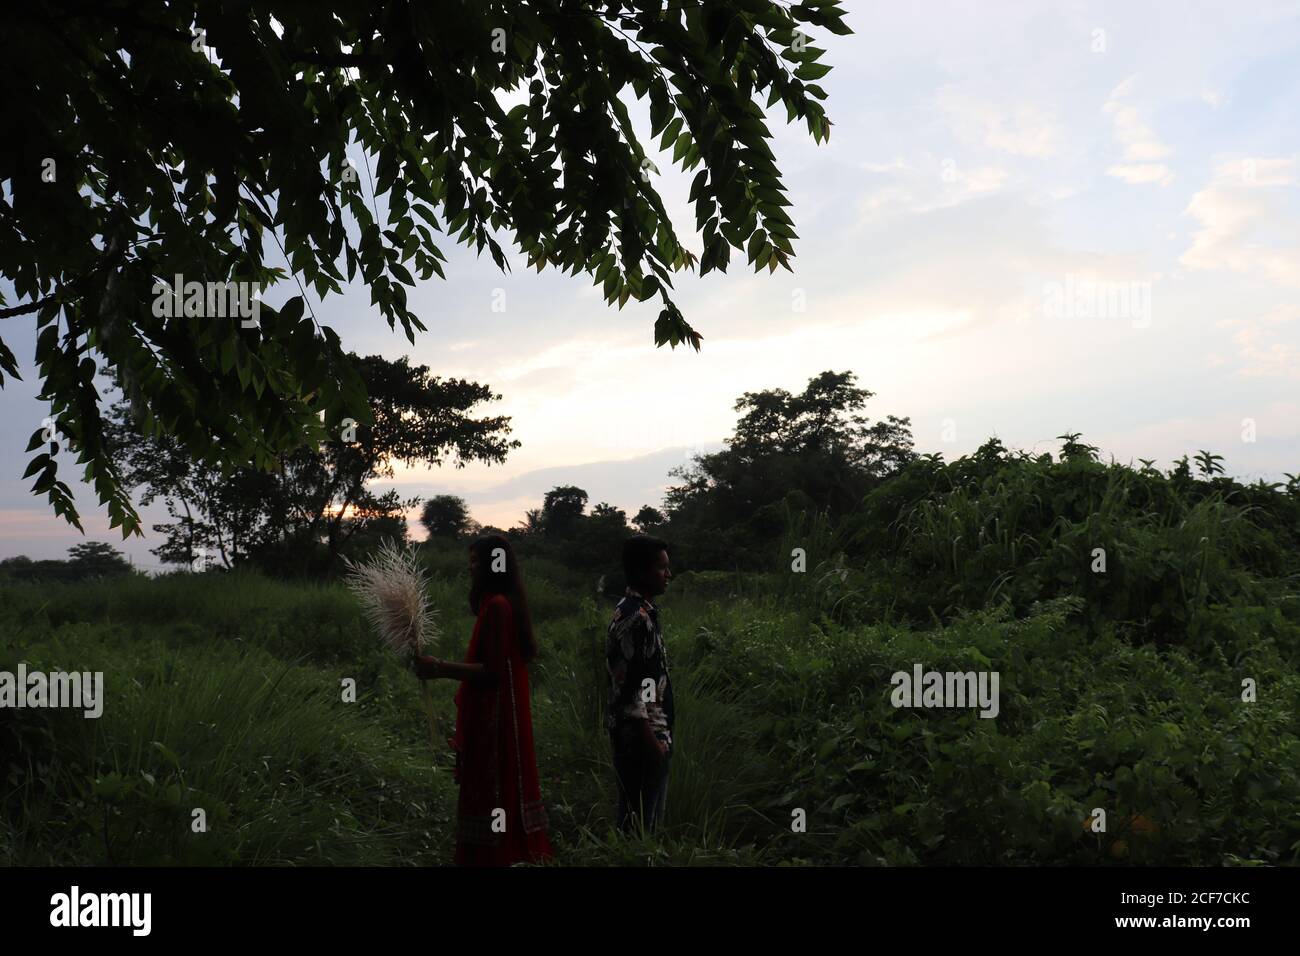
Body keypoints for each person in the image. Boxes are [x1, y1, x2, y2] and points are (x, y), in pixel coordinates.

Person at [414, 534, 553, 866]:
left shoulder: (498, 608)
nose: (471, 568)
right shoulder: (501, 603)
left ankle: (496, 855)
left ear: (494, 565)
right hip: (500, 717)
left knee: (494, 789)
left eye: (476, 562)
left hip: (495, 723)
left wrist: (440, 668)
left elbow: (492, 672)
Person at [607, 534, 674, 834]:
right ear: (641, 571)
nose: (668, 575)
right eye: (662, 568)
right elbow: (628, 690)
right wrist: (651, 741)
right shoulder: (634, 618)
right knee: (638, 827)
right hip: (641, 740)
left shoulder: (644, 613)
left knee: (645, 824)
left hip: (653, 734)